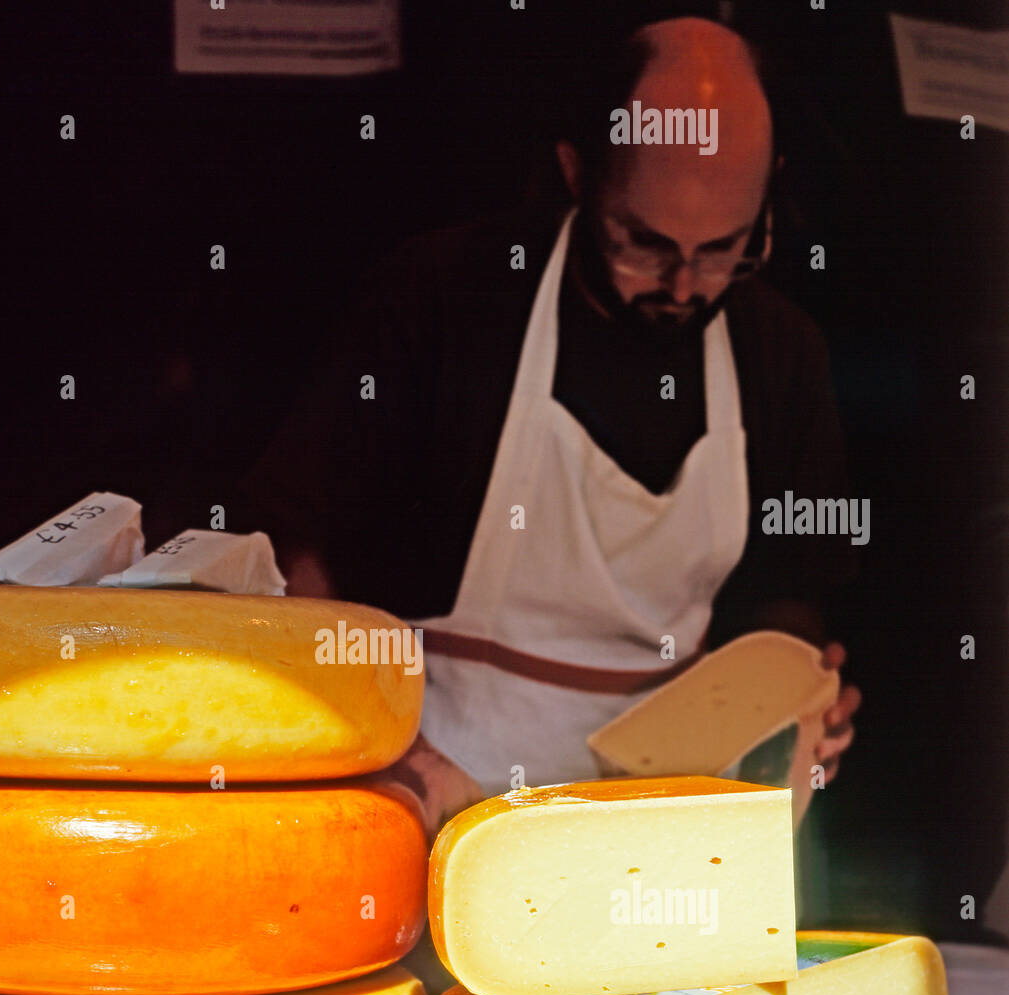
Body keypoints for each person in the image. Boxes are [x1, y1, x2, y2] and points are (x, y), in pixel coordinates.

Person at [239, 17, 861, 837]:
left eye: (722, 251)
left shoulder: (781, 352)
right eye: (642, 244)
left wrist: (797, 703)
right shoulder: (442, 297)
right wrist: (383, 750)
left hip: (660, 822)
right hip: (438, 791)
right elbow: (296, 544)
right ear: (577, 173)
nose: (682, 287)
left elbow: (788, 593)